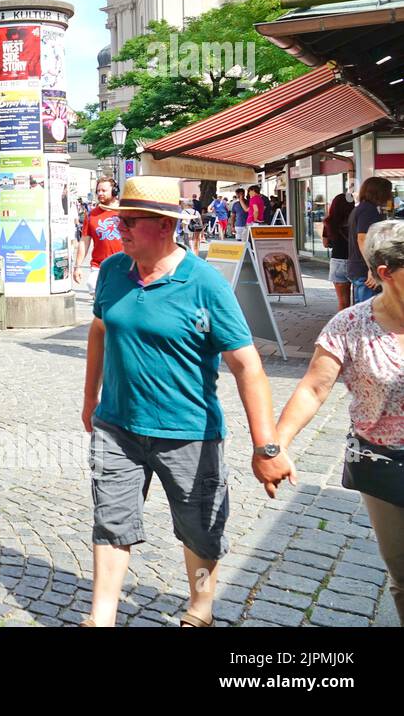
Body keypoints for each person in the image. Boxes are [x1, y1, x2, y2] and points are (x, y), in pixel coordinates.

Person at [80, 177, 292, 627]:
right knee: (111, 522)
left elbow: (247, 366)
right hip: (117, 427)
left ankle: (200, 608)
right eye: (120, 221)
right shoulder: (115, 272)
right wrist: (89, 398)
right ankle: (101, 617)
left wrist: (266, 445)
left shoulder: (205, 284)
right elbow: (99, 330)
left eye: (130, 222)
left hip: (189, 433)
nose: (120, 230)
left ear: (163, 226)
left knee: (200, 530)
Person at [273, 218, 404, 622]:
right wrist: (274, 446)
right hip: (385, 467)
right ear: (386, 274)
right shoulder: (351, 325)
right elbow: (313, 388)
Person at [348, 177, 392, 305]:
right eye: (388, 191)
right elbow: (362, 239)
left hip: (359, 268)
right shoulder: (368, 210)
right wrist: (372, 269)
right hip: (365, 271)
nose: (390, 194)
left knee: (361, 314)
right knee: (368, 315)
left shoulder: (360, 208)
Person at [76, 176, 122, 292]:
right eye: (98, 191)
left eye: (104, 190)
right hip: (99, 266)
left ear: (114, 191)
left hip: (123, 265)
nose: (100, 193)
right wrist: (78, 266)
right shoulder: (91, 215)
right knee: (94, 288)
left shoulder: (125, 211)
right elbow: (84, 242)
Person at [324, 191, 354, 311]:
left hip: (337, 262)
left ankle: (343, 328)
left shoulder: (329, 222)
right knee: (358, 301)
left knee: (343, 303)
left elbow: (326, 244)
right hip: (355, 261)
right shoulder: (356, 221)